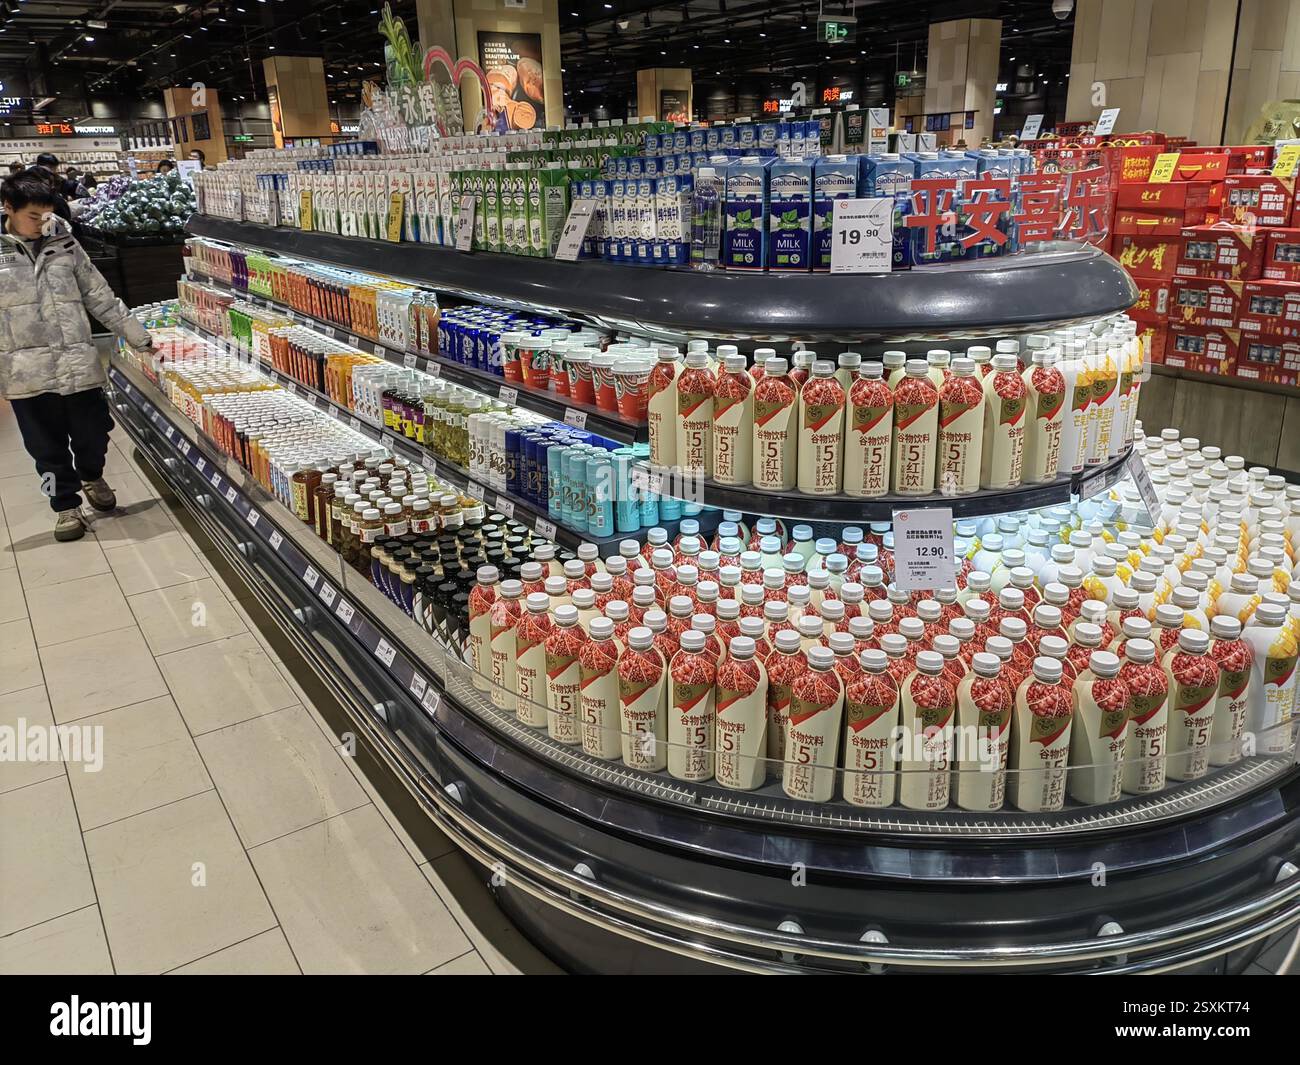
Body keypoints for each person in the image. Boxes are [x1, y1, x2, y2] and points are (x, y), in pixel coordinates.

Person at [0, 171, 154, 541]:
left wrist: (138, 337)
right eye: (32, 217)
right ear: (9, 209)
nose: (41, 224)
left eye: (46, 215)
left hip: (77, 365)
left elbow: (99, 294)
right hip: (27, 374)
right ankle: (64, 506)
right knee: (45, 449)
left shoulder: (66, 245)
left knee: (95, 434)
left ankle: (92, 474)